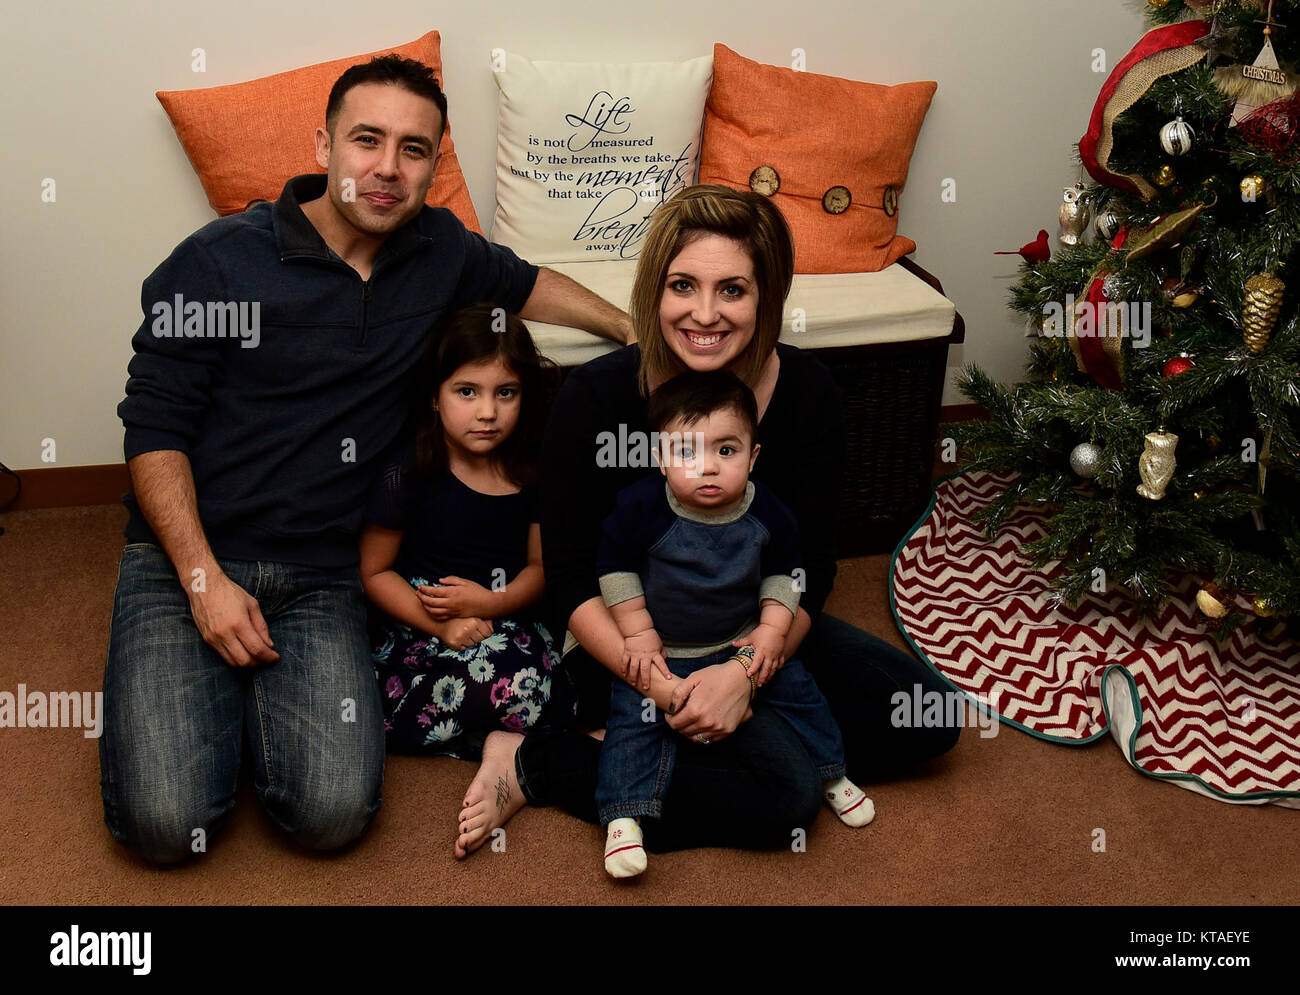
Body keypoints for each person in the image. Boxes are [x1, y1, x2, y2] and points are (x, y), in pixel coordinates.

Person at [101, 54, 630, 863]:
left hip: (324, 571)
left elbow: (526, 286)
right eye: (367, 140)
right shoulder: (215, 262)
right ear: (323, 146)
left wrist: (634, 333)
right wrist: (204, 582)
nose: (388, 168)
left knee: (332, 815)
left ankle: (238, 704)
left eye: (414, 149)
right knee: (168, 826)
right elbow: (153, 428)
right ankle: (200, 697)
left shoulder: (440, 251)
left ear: (432, 164)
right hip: (192, 561)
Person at [454, 183, 959, 859]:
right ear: (653, 292)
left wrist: (742, 675)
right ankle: (536, 762)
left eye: (733, 290)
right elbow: (572, 581)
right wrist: (661, 684)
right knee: (785, 802)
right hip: (632, 640)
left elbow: (811, 566)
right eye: (683, 285)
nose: (704, 313)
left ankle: (650, 751)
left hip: (754, 622)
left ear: (768, 297)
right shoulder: (595, 395)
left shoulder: (808, 396)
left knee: (929, 718)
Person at [595, 369, 874, 878]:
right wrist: (636, 631)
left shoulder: (767, 511)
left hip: (741, 639)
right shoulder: (641, 507)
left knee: (803, 695)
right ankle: (624, 819)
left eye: (726, 450)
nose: (707, 467)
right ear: (659, 457)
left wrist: (771, 629)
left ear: (754, 455)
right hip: (663, 649)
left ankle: (831, 773)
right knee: (632, 727)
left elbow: (788, 572)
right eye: (687, 452)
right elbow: (613, 567)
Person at [360, 303, 570, 761]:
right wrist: (445, 623)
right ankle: (476, 731)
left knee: (549, 684)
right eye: (467, 392)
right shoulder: (410, 469)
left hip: (502, 620)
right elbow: (374, 572)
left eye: (507, 393)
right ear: (436, 396)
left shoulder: (530, 471)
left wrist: (492, 602)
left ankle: (480, 733)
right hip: (422, 629)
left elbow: (539, 567)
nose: (488, 412)